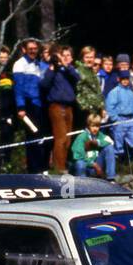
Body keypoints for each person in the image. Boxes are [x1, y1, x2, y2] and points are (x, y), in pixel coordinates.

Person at [40, 45, 81, 173]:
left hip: (69, 107)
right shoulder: (51, 70)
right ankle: (60, 168)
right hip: (56, 106)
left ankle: (63, 164)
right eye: (63, 56)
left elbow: (77, 78)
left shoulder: (70, 70)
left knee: (68, 139)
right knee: (61, 138)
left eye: (68, 56)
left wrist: (65, 65)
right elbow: (44, 85)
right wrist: (53, 68)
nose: (66, 58)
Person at [12, 38, 48, 172]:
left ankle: (42, 167)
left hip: (39, 104)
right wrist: (21, 107)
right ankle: (33, 169)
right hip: (28, 105)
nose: (33, 51)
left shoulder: (39, 64)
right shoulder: (20, 64)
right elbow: (18, 88)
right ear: (24, 49)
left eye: (35, 49)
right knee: (33, 137)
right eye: (30, 49)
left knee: (41, 137)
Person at [105, 68, 133, 160]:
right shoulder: (114, 92)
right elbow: (109, 107)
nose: (125, 81)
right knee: (118, 144)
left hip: (130, 120)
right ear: (119, 79)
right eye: (123, 79)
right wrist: (115, 119)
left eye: (127, 79)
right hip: (119, 121)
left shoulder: (130, 92)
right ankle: (117, 165)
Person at [70, 113, 116, 178]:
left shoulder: (100, 135)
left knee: (109, 147)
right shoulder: (81, 137)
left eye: (97, 126)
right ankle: (83, 184)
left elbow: (110, 142)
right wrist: (94, 165)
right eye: (93, 126)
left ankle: (111, 178)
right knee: (80, 163)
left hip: (96, 165)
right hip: (86, 166)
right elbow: (78, 156)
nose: (95, 129)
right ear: (88, 125)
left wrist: (97, 142)